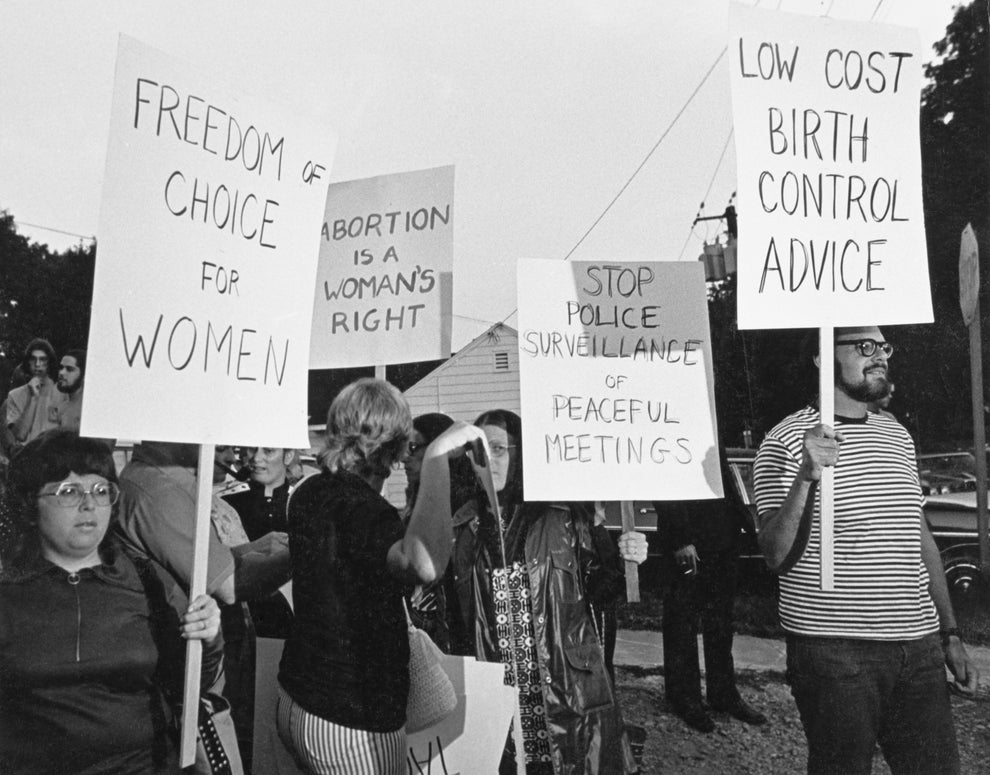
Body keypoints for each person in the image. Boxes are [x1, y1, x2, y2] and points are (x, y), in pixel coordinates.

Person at [754, 326, 979, 775]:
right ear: (823, 358)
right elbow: (774, 554)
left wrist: (949, 633)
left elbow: (919, 535)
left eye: (882, 347)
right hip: (835, 652)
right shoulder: (785, 439)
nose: (879, 357)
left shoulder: (896, 433)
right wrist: (807, 473)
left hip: (917, 649)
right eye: (863, 346)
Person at [277, 378, 483, 775]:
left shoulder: (309, 491)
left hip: (295, 697)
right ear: (394, 443)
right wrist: (438, 456)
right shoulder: (365, 510)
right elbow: (424, 564)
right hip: (351, 721)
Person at [0, 430, 222, 774]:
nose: (89, 503)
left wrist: (208, 639)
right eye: (69, 491)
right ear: (30, 505)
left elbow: (189, 683)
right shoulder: (7, 591)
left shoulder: (148, 580)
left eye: (101, 490)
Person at [449, 408, 647, 774]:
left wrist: (626, 561)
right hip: (496, 697)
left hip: (563, 692)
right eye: (476, 451)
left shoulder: (563, 514)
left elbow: (601, 594)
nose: (486, 461)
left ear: (521, 452)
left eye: (497, 448)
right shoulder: (461, 526)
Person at [115, 440, 292, 773]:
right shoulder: (158, 489)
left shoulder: (168, 478)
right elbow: (228, 586)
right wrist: (307, 550)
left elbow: (200, 562)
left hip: (207, 652)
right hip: (195, 661)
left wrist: (252, 549)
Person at [652, 446, 767, 733]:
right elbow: (661, 473)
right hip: (687, 534)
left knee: (720, 622)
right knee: (682, 622)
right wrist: (680, 537)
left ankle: (723, 693)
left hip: (723, 532)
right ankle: (683, 697)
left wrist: (742, 521)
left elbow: (718, 467)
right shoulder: (671, 413)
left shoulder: (709, 411)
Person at [224, 446, 297, 639]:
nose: (257, 458)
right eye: (251, 450)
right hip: (239, 613)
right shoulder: (225, 503)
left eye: (269, 451)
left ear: (288, 456)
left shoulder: (304, 503)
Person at [3, 338, 64, 455]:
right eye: (33, 359)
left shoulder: (63, 394)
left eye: (42, 359)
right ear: (27, 362)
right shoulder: (15, 395)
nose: (37, 364)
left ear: (49, 362)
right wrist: (33, 397)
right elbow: (20, 435)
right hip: (27, 461)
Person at [53, 348, 85, 431]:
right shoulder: (62, 408)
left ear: (84, 375)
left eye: (69, 369)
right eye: (61, 368)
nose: (61, 373)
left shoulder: (89, 408)